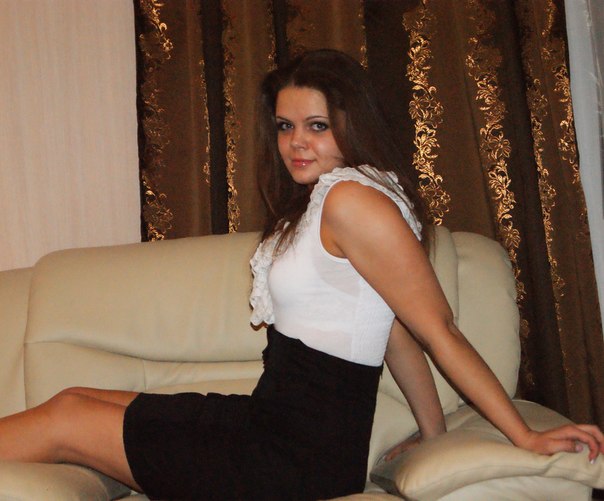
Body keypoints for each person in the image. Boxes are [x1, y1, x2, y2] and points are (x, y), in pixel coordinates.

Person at [0, 48, 602, 501]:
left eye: (317, 125)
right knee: (73, 400)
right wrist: (432, 430)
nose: (296, 143)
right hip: (272, 428)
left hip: (289, 460)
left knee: (66, 421)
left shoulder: (351, 201)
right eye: (286, 126)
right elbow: (391, 329)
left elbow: (437, 328)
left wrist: (523, 435)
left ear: (351, 122)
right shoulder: (340, 197)